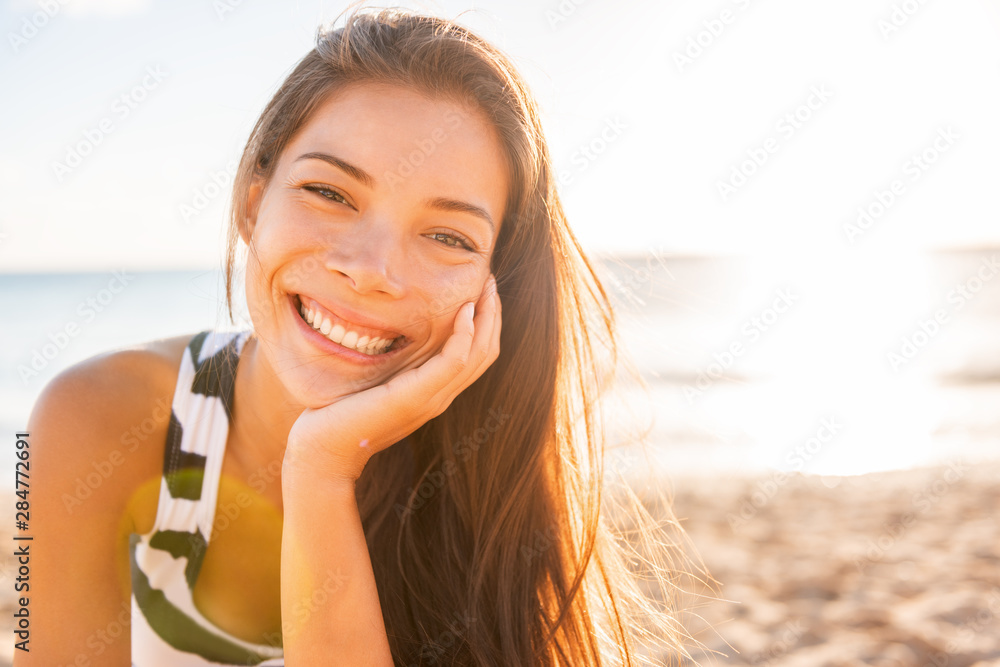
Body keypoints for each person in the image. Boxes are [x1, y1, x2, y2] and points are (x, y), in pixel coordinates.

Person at [23, 6, 693, 665]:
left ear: (497, 287)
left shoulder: (489, 479)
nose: (371, 270)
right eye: (330, 192)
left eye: (447, 236)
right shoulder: (98, 418)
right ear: (253, 203)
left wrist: (321, 471)